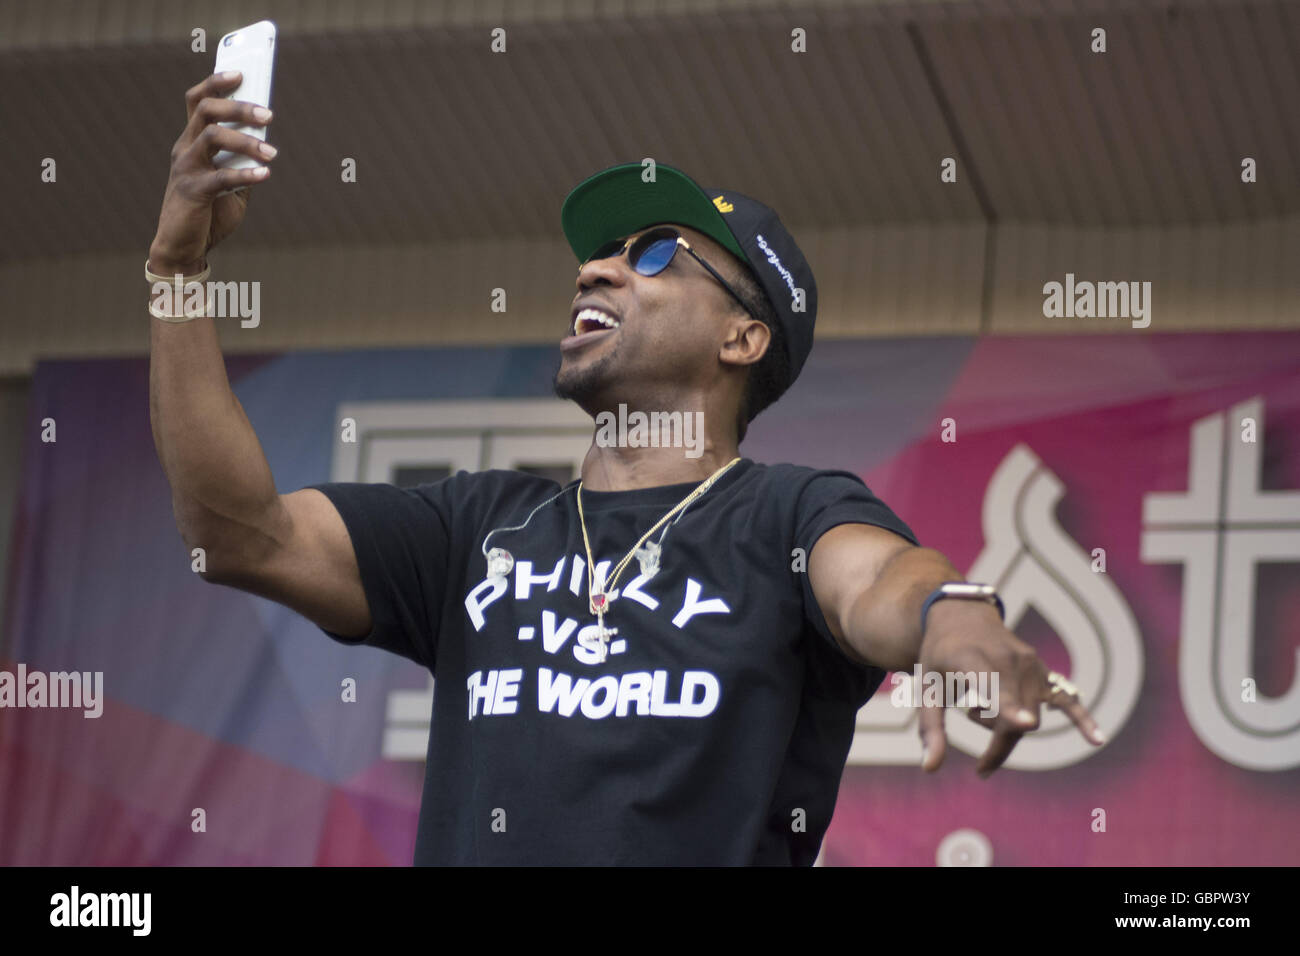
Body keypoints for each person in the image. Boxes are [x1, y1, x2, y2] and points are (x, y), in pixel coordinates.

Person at [147, 72, 1104, 866]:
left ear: (743, 334)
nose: (596, 272)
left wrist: (953, 619)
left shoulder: (785, 518)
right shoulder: (477, 529)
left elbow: (885, 579)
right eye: (599, 254)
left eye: (651, 254)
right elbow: (236, 534)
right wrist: (178, 271)